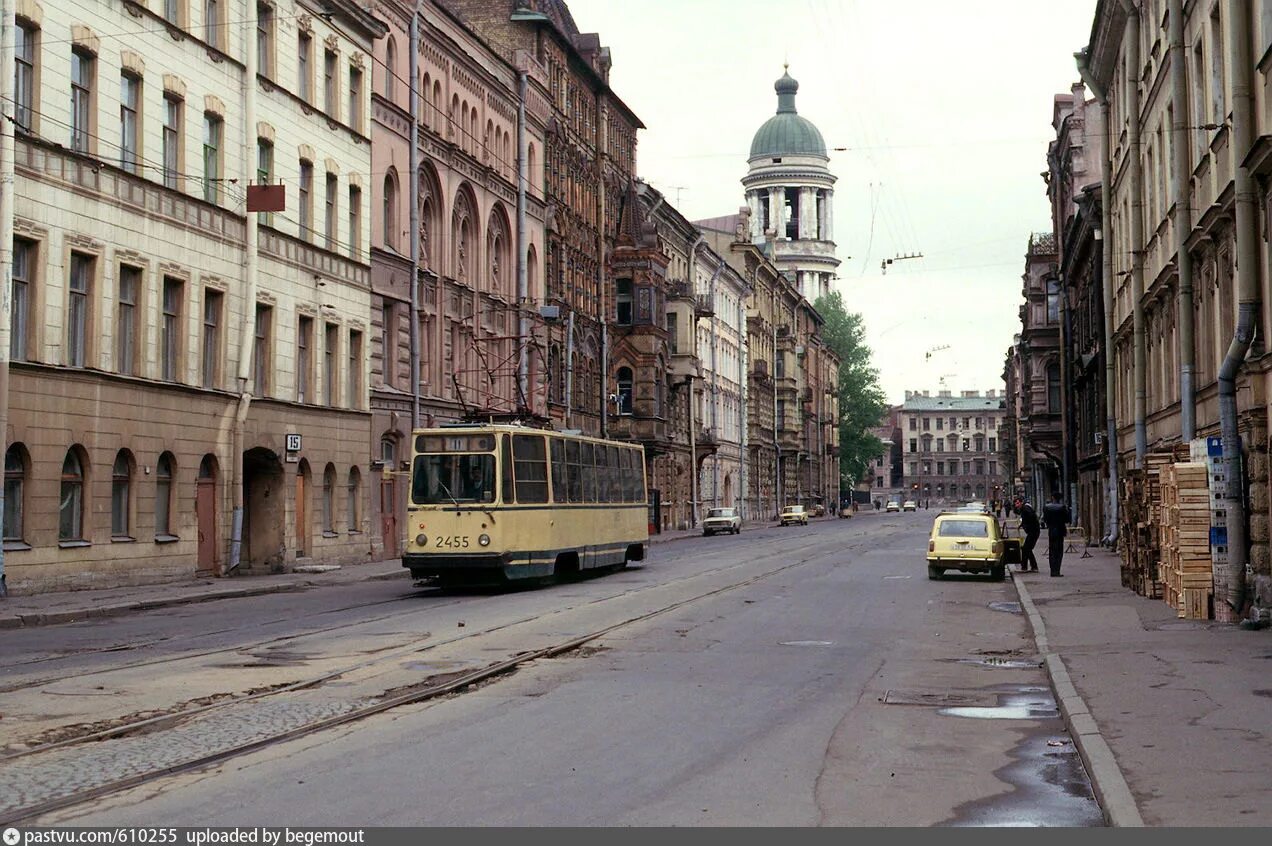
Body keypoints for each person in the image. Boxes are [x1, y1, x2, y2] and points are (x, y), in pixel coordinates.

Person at [1041, 491, 1072, 577]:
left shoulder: (1047, 507)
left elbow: (1045, 519)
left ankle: (1052, 571)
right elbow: (1067, 519)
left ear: (1052, 497)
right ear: (1059, 498)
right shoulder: (1062, 507)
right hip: (1060, 531)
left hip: (1051, 531)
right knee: (1059, 551)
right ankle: (1057, 570)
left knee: (1052, 551)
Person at [1014, 496, 1040, 572]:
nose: (1016, 505)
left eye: (1018, 503)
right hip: (1033, 531)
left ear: (1021, 502)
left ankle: (1029, 567)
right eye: (1015, 503)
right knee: (1026, 549)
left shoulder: (1025, 509)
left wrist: (1025, 525)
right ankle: (1029, 567)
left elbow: (1031, 518)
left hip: (1033, 531)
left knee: (1026, 549)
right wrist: (1022, 524)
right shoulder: (1024, 508)